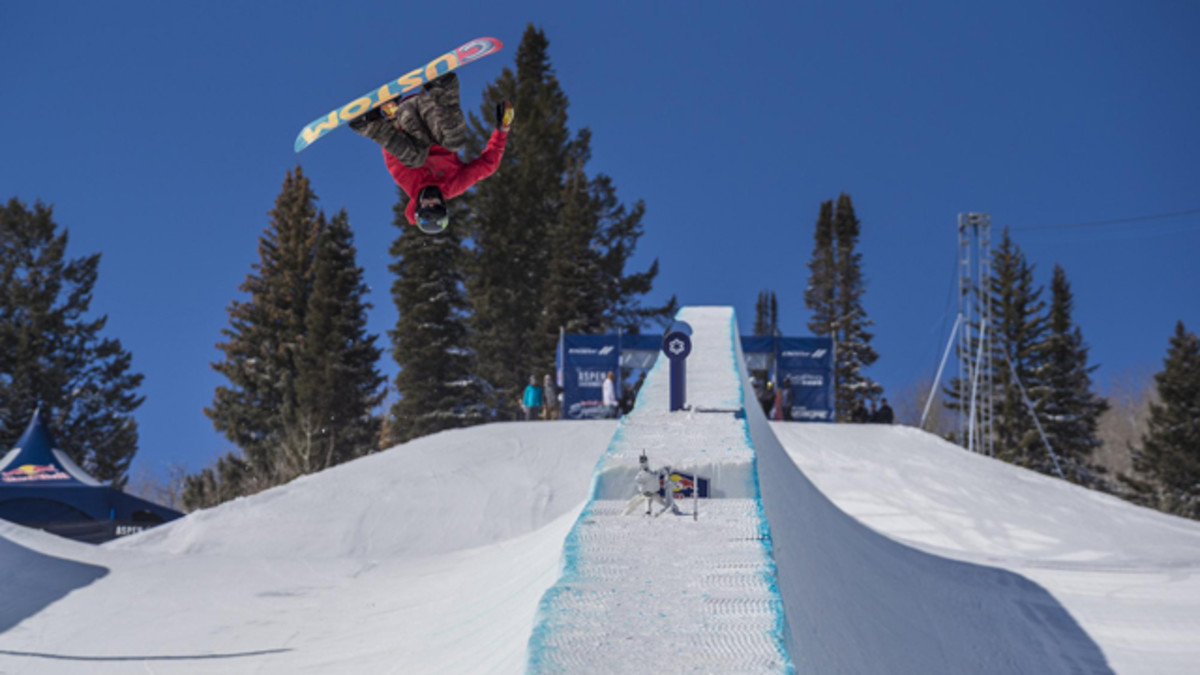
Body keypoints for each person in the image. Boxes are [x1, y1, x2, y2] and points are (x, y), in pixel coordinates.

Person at [350, 73, 514, 234]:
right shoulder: (453, 185)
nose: (430, 202)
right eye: (436, 206)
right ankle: (444, 88)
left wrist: (390, 119)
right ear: (442, 204)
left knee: (415, 159)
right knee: (454, 143)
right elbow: (488, 166)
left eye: (426, 207)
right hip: (431, 111)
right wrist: (502, 130)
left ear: (418, 206)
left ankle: (369, 123)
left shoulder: (409, 181)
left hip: (404, 117)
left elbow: (391, 151)